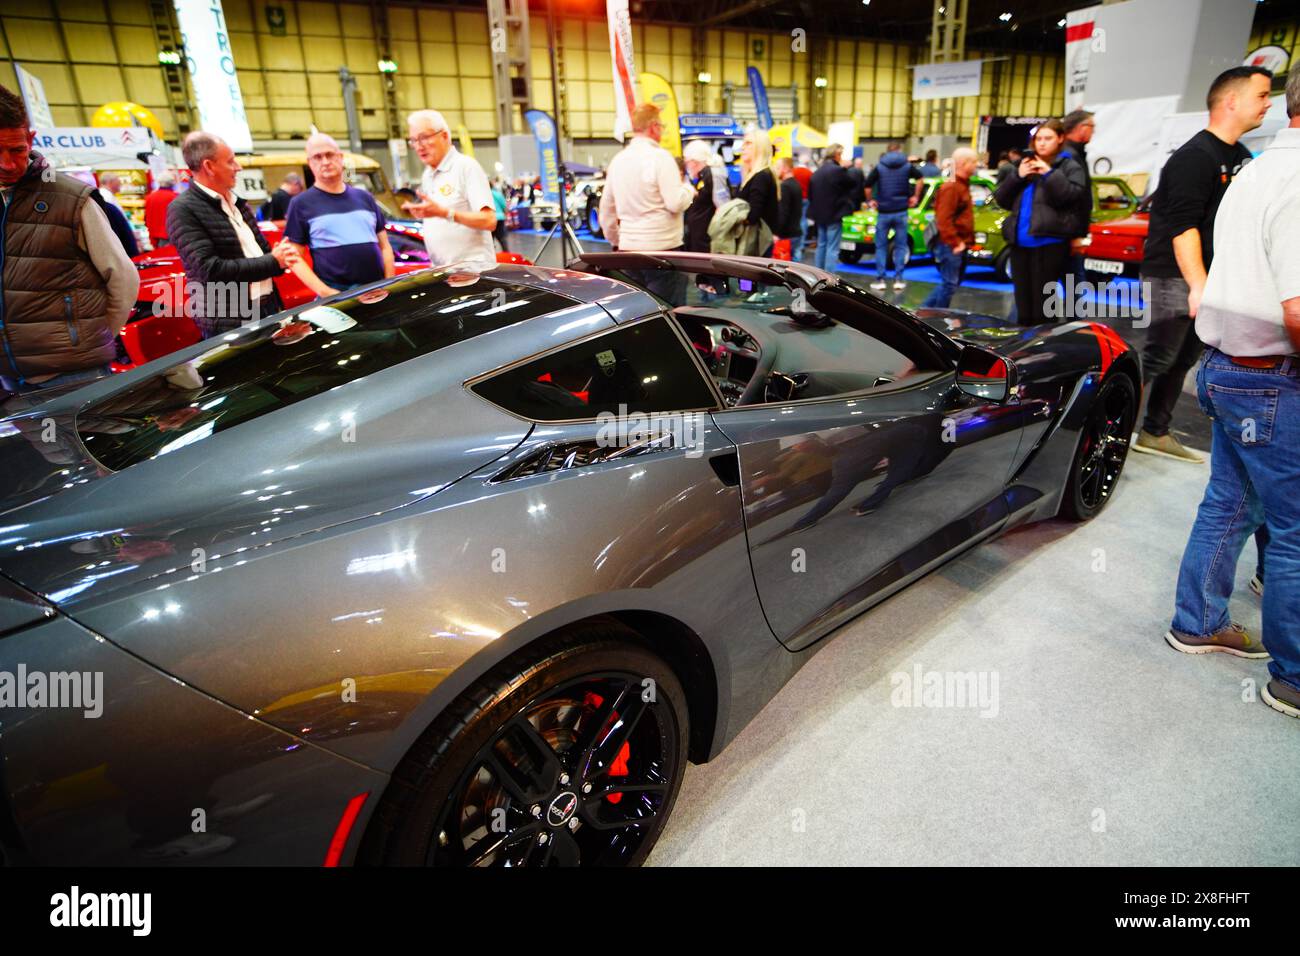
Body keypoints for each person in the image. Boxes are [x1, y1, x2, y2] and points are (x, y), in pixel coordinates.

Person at [1164, 62, 1300, 721]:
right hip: (1268, 374)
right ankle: (1295, 675)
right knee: (1294, 527)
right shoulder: (1272, 175)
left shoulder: (1252, 169)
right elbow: (1296, 305)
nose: (1264, 102)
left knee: (1231, 502)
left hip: (1229, 367)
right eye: (1258, 93)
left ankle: (1198, 619)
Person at [1134, 67, 1272, 463]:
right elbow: (1182, 228)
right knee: (1158, 358)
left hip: (1207, 277)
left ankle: (1154, 431)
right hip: (1175, 275)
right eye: (1261, 95)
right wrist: (1198, 285)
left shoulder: (1241, 157)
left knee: (1182, 360)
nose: (1268, 103)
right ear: (1231, 101)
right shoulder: (1194, 158)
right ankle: (1107, 427)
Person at [0, 84, 138, 394]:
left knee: (90, 442)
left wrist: (88, 342)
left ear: (31, 139)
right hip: (8, 383)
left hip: (73, 375)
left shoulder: (70, 199)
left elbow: (123, 278)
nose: (7, 164)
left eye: (17, 150)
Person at [166, 131, 299, 337]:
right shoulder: (182, 209)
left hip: (269, 306)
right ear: (209, 166)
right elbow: (210, 270)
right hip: (230, 320)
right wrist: (274, 262)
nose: (238, 167)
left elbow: (262, 250)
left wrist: (281, 258)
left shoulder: (238, 203)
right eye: (230, 161)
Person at [993, 119, 1088, 326]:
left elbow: (1072, 197)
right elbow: (1001, 198)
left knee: (1044, 305)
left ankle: (1044, 349)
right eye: (1039, 139)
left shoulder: (1069, 165)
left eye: (1048, 138)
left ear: (1060, 138)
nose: (1042, 143)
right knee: (1023, 303)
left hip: (1049, 243)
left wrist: (1048, 173)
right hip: (1019, 243)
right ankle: (1024, 349)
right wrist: (1017, 177)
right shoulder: (1022, 165)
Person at [599, 102, 695, 303]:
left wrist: (617, 241)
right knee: (669, 311)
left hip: (629, 250)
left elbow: (606, 209)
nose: (661, 130)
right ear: (653, 127)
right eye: (661, 126)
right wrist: (688, 190)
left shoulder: (619, 160)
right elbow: (675, 203)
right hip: (662, 250)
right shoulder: (661, 158)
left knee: (636, 311)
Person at [282, 132, 395, 297]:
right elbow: (293, 258)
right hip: (336, 295)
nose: (325, 162)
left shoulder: (365, 198)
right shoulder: (300, 204)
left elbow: (385, 246)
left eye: (329, 155)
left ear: (340, 157)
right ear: (310, 163)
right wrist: (326, 292)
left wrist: (389, 282)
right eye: (318, 157)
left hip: (377, 290)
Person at [401, 109, 497, 273]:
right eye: (414, 140)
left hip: (471, 272)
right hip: (443, 271)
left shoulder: (465, 167)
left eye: (424, 137)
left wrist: (445, 213)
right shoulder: (428, 175)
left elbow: (489, 220)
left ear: (444, 136)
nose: (419, 146)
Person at [921, 147, 978, 309]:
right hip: (950, 244)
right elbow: (943, 219)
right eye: (973, 162)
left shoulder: (961, 185)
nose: (976, 165)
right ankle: (935, 319)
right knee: (949, 284)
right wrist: (955, 242)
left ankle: (924, 314)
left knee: (951, 283)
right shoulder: (951, 187)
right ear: (962, 163)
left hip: (957, 244)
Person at [864, 141, 924, 291]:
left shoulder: (879, 166)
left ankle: (880, 280)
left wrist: (870, 201)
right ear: (899, 150)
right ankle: (898, 279)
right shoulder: (906, 165)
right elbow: (920, 179)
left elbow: (867, 185)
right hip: (901, 210)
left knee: (881, 247)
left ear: (888, 151)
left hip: (883, 212)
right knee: (901, 246)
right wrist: (915, 197)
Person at [1061, 109, 1096, 287]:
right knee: (1074, 285)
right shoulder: (1069, 156)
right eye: (1092, 127)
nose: (1093, 131)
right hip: (1066, 236)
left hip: (1064, 234)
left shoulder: (1072, 154)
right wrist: (1076, 235)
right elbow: (1074, 199)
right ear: (1082, 128)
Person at [808, 143, 854, 271]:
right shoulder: (838, 171)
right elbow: (852, 183)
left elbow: (811, 194)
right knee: (832, 247)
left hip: (819, 215)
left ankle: (818, 274)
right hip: (834, 214)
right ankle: (830, 277)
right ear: (837, 155)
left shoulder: (817, 172)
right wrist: (847, 167)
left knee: (821, 245)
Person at [737, 126, 779, 253]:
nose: (743, 147)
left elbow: (753, 215)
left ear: (760, 147)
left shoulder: (761, 176)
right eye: (744, 143)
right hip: (756, 241)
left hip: (756, 243)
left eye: (748, 143)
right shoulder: (758, 175)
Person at [682, 138, 717, 253]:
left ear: (695, 161)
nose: (687, 166)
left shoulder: (710, 176)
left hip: (704, 236)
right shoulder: (701, 177)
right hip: (697, 234)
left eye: (687, 162)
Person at [775, 157, 804, 261]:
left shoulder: (785, 186)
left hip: (786, 235)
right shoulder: (796, 184)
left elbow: (783, 212)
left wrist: (777, 233)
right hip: (796, 231)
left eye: (778, 167)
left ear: (786, 168)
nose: (776, 170)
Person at [144, 173, 178, 248]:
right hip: (171, 236)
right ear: (172, 183)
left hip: (155, 236)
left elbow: (147, 218)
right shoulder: (176, 197)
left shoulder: (149, 197)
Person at [490, 179, 508, 252]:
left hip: (489, 218)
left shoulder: (482, 195)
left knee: (490, 240)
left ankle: (491, 256)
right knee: (502, 238)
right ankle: (507, 253)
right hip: (499, 218)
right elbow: (504, 206)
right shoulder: (497, 194)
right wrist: (505, 215)